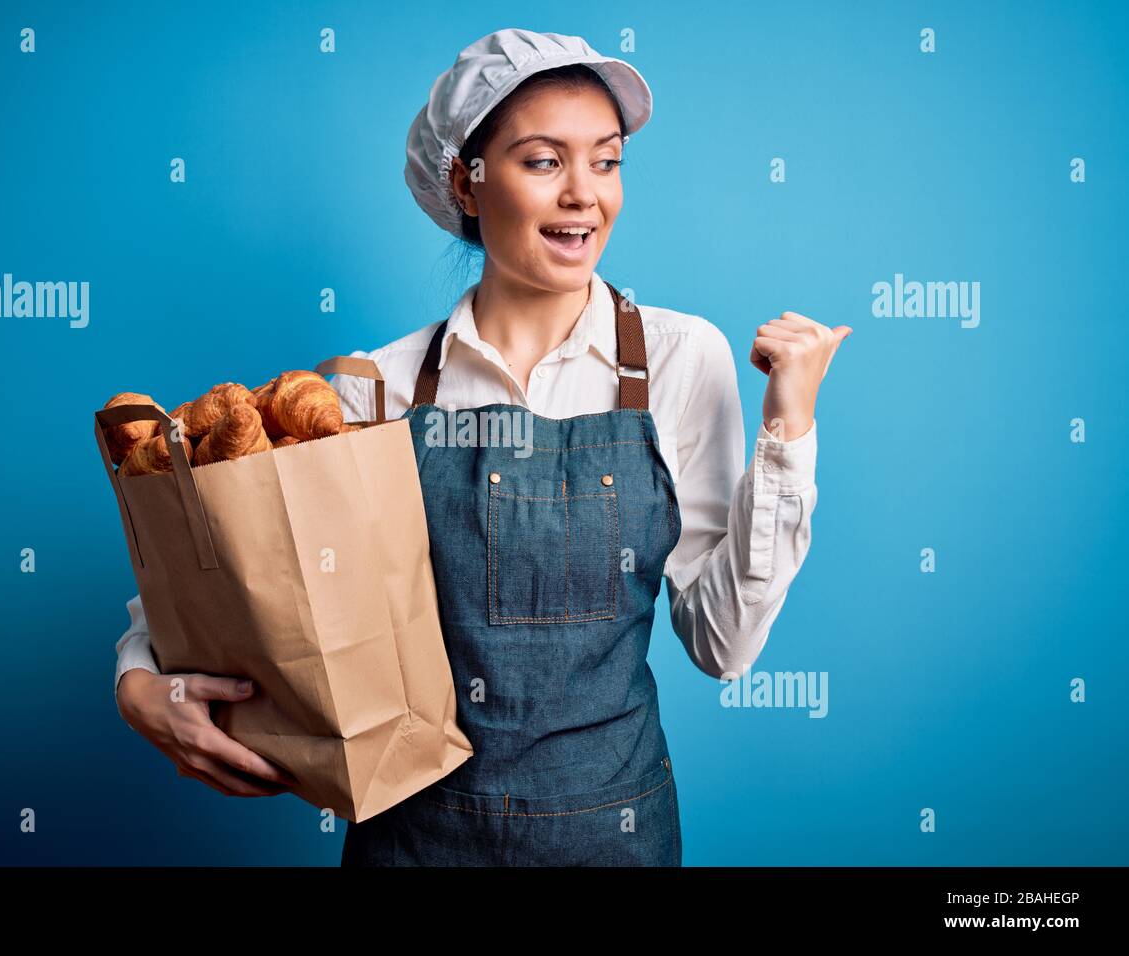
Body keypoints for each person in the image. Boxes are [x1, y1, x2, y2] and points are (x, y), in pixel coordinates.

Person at [113, 28, 849, 866]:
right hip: (412, 840)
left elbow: (722, 644)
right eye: (543, 161)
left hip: (612, 838)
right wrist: (140, 683)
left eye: (606, 161)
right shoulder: (373, 387)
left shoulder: (682, 361)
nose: (584, 195)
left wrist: (787, 427)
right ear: (466, 180)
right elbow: (239, 588)